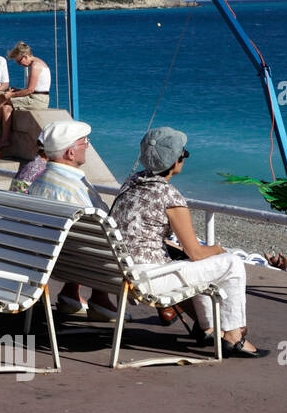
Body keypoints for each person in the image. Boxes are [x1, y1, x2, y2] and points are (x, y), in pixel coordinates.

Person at [110, 128, 266, 358]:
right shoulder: (170, 197)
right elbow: (195, 252)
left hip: (118, 271)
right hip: (148, 279)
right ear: (175, 161)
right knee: (231, 263)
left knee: (190, 263)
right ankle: (233, 336)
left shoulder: (130, 183)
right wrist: (219, 249)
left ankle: (208, 328)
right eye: (184, 153)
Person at [26, 120, 122, 321]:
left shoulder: (39, 182)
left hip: (55, 262)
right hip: (92, 265)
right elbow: (100, 234)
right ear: (70, 153)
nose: (87, 146)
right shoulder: (74, 189)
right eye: (84, 142)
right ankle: (99, 300)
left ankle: (77, 295)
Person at [0, 41, 50, 154]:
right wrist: (16, 90)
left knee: (5, 98)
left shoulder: (35, 65)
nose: (19, 64)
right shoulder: (35, 63)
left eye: (19, 61)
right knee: (5, 107)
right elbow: (35, 88)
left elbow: (30, 90)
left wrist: (12, 95)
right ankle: (2, 137)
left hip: (38, 100)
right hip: (37, 97)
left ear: (25, 56)